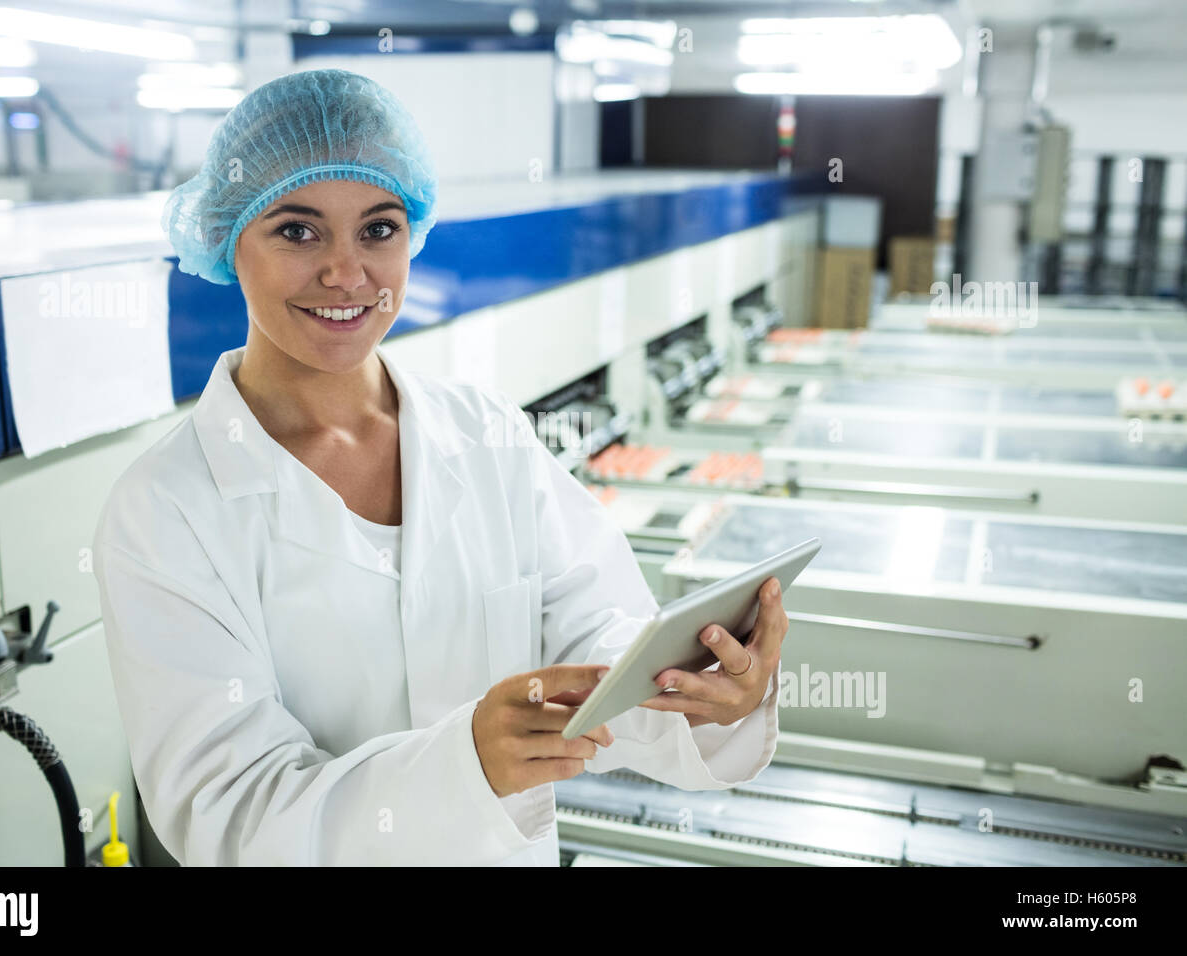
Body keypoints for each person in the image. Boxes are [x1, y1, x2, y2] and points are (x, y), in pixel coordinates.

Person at [92, 68, 788, 866]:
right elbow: (231, 811)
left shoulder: (484, 434)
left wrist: (704, 691)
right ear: (227, 240)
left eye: (379, 229)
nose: (347, 273)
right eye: (297, 230)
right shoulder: (165, 510)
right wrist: (466, 767)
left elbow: (599, 646)